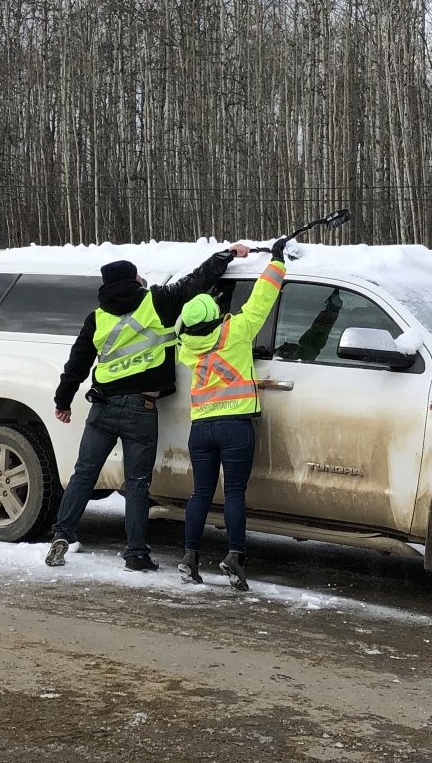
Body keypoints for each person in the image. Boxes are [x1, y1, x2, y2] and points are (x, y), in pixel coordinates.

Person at [46, 242, 251, 572]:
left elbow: (76, 365)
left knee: (84, 474)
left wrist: (63, 401)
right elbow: (196, 282)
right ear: (133, 280)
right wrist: (225, 255)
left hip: (102, 407)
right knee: (137, 483)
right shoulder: (155, 302)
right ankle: (136, 553)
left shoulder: (96, 318)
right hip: (141, 408)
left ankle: (62, 533)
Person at [173, 242, 288, 592]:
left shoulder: (185, 348)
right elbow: (263, 296)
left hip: (201, 429)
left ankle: (190, 558)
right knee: (234, 493)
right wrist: (277, 260)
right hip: (235, 427)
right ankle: (234, 556)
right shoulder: (237, 330)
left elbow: (183, 326)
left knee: (201, 494)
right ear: (217, 315)